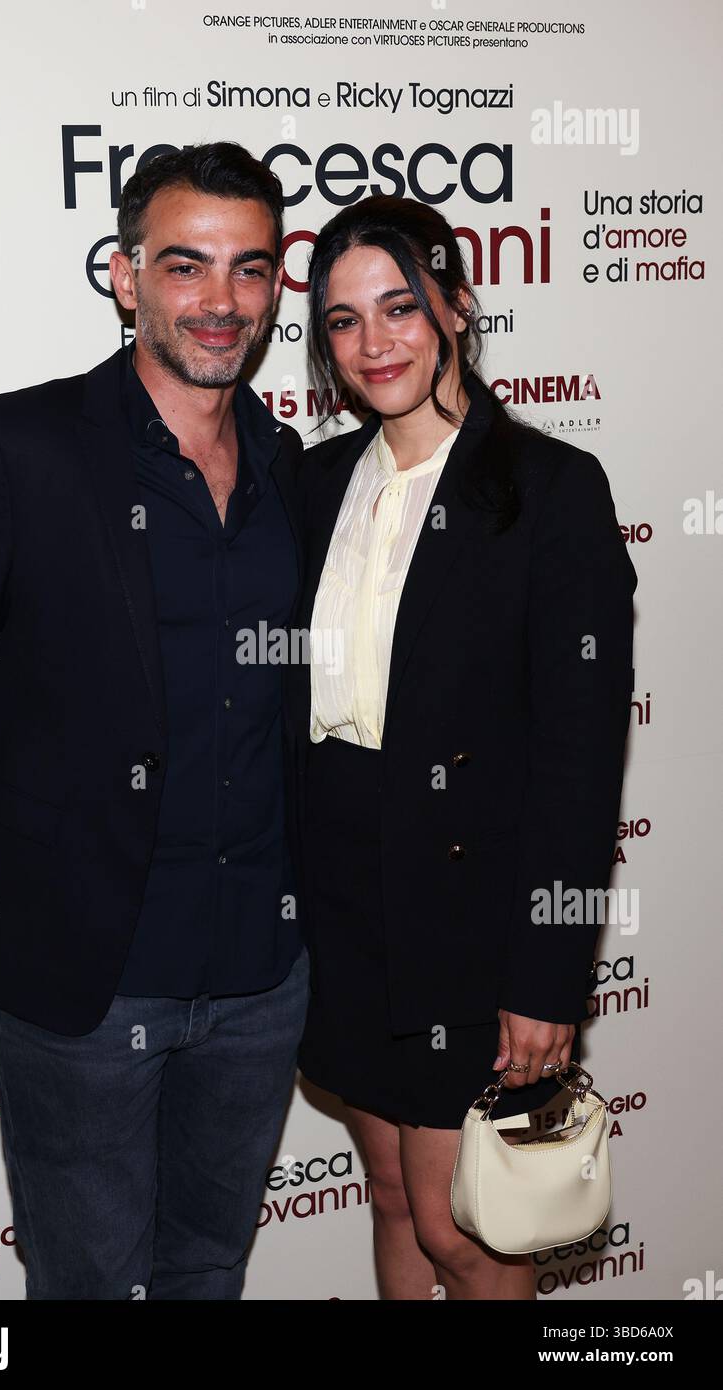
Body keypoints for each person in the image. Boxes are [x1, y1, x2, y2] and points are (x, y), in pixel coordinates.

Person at [0, 141, 310, 1300]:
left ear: (276, 286)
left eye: (249, 270)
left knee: (206, 1269)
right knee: (84, 1282)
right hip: (82, 968)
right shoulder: (18, 449)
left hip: (258, 974)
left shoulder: (292, 471)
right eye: (185, 266)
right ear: (125, 276)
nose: (219, 302)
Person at [286, 195, 637, 1300]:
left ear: (456, 310)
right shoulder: (313, 486)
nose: (372, 342)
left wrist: (546, 977)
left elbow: (581, 767)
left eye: (398, 307)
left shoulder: (546, 492)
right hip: (343, 911)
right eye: (342, 322)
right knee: (392, 1192)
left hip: (467, 924)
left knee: (467, 1232)